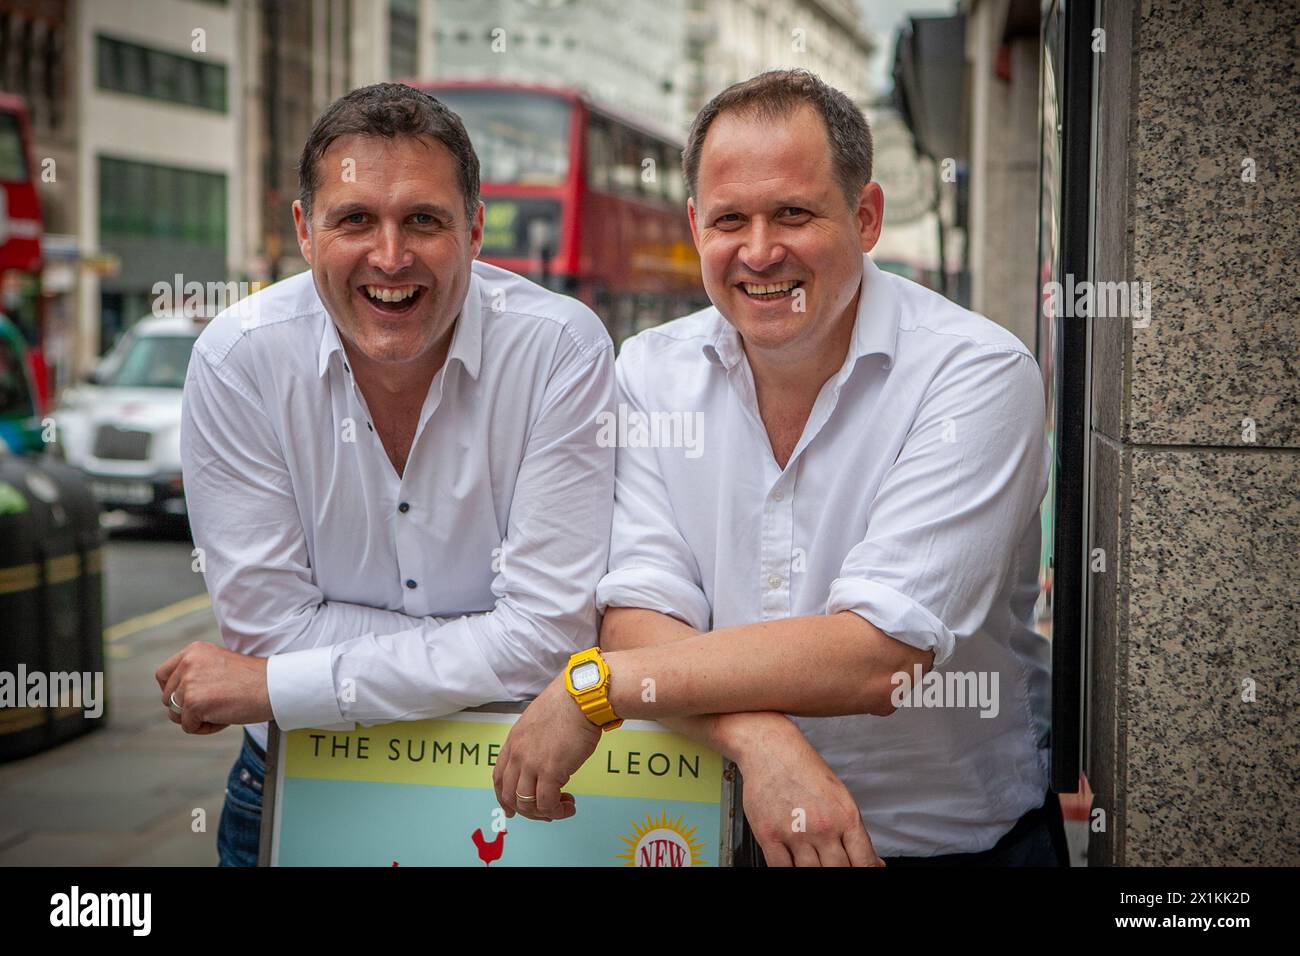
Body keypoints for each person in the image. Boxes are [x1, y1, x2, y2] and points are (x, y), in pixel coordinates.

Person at [492, 70, 1067, 867]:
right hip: (731, 832)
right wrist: (761, 741)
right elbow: (635, 618)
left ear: (865, 217)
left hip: (957, 846)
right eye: (731, 219)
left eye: (793, 213)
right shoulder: (648, 372)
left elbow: (877, 658)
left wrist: (598, 689)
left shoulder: (976, 375)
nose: (759, 252)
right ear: (696, 226)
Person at [156, 83, 615, 866]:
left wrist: (275, 685)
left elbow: (547, 641)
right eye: (356, 219)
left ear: (474, 230)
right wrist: (487, 645)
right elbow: (271, 631)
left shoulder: (559, 351)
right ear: (305, 231)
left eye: (424, 221)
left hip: (512, 797)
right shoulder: (238, 360)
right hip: (298, 787)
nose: (391, 257)